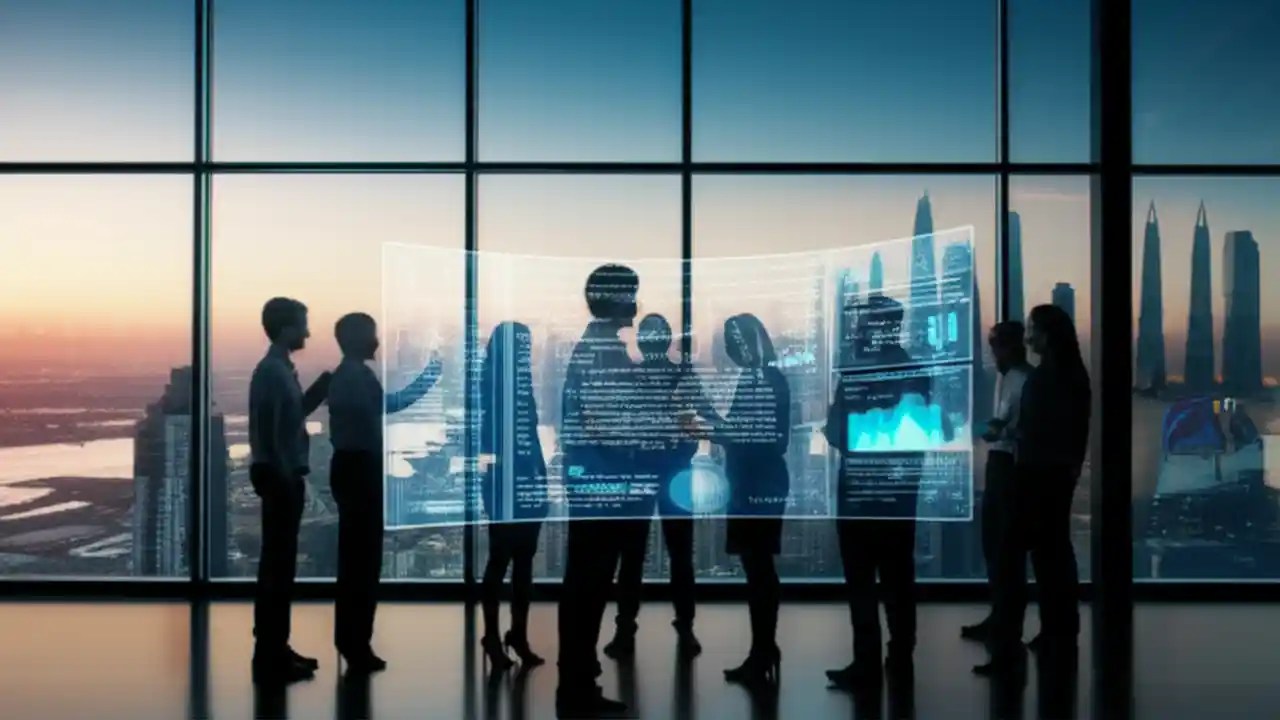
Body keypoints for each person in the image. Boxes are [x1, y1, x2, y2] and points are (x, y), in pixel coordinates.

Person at [825, 294, 939, 689]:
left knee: (866, 580)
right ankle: (899, 656)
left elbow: (840, 429)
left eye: (864, 323)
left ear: (880, 327)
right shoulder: (915, 373)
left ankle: (869, 662)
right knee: (896, 577)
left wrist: (848, 432)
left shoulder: (861, 374)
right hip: (892, 496)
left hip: (864, 495)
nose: (857, 331)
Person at [976, 304, 1091, 676]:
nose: (1029, 338)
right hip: (1053, 478)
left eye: (1033, 331)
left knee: (1013, 561)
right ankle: (1057, 634)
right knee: (1051, 557)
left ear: (1048, 334)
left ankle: (1008, 652)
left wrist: (1006, 432)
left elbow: (1039, 431)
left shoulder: (1049, 378)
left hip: (1035, 479)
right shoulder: (1070, 376)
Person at [327, 312, 441, 673]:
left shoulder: (349, 375)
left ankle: (354, 641)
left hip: (353, 468)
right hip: (359, 471)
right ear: (359, 339)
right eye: (373, 336)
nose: (378, 342)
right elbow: (387, 406)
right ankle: (355, 642)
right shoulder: (355, 377)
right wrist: (429, 379)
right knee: (363, 561)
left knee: (356, 560)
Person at [556, 264, 641, 718]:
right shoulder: (603, 351)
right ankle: (578, 683)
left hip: (592, 481)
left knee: (583, 584)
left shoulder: (593, 347)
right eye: (632, 295)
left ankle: (577, 679)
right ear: (617, 299)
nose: (636, 304)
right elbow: (609, 425)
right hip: (604, 486)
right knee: (589, 585)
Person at [689, 313, 790, 687]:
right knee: (758, 568)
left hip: (755, 482)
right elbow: (741, 434)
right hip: (755, 480)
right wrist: (710, 419)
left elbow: (755, 437)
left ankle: (762, 651)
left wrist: (706, 414)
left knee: (758, 569)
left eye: (733, 344)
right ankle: (763, 649)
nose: (729, 352)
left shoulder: (762, 380)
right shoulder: (763, 378)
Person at [604, 313, 702, 659]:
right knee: (673, 555)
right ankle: (681, 629)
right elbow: (694, 424)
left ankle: (627, 630)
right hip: (668, 471)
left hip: (649, 471)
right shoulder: (679, 374)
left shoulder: (634, 376)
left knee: (637, 556)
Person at [248, 297, 331, 684]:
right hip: (280, 477)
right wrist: (282, 473)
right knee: (277, 569)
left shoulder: (279, 370)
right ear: (284, 329)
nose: (308, 333)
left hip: (280, 475)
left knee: (279, 568)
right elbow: (268, 429)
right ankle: (270, 652)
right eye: (302, 325)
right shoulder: (271, 373)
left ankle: (276, 647)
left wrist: (321, 389)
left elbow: (291, 416)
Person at [478, 321, 549, 671]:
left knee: (522, 561)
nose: (527, 351)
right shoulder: (494, 384)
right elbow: (491, 439)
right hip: (506, 483)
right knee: (502, 559)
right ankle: (494, 637)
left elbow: (531, 435)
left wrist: (540, 476)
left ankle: (516, 635)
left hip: (526, 480)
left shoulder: (518, 383)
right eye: (522, 345)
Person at [961, 322, 1032, 643]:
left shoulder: (1026, 381)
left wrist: (998, 431)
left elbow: (1029, 430)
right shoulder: (1004, 378)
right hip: (999, 463)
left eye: (997, 347)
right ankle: (999, 618)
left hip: (1012, 468)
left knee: (1006, 548)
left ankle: (1006, 627)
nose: (994, 354)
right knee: (994, 545)